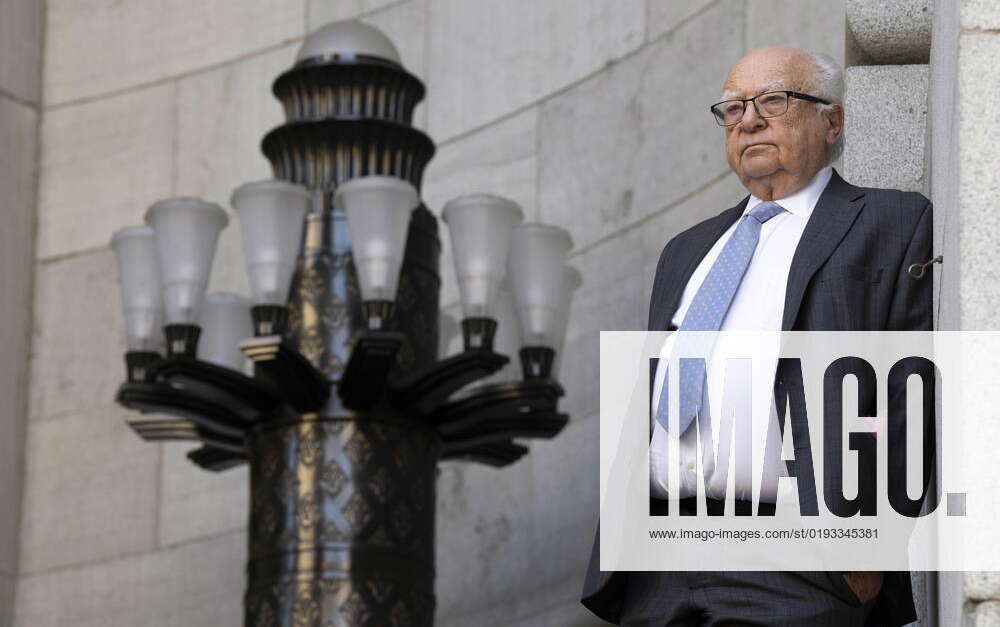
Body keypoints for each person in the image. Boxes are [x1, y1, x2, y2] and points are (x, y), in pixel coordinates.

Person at [581, 45, 934, 626]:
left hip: (795, 551)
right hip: (660, 562)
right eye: (733, 108)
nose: (749, 120)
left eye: (774, 100)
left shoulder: (890, 221)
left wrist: (874, 540)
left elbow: (912, 391)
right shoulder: (686, 251)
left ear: (833, 120)